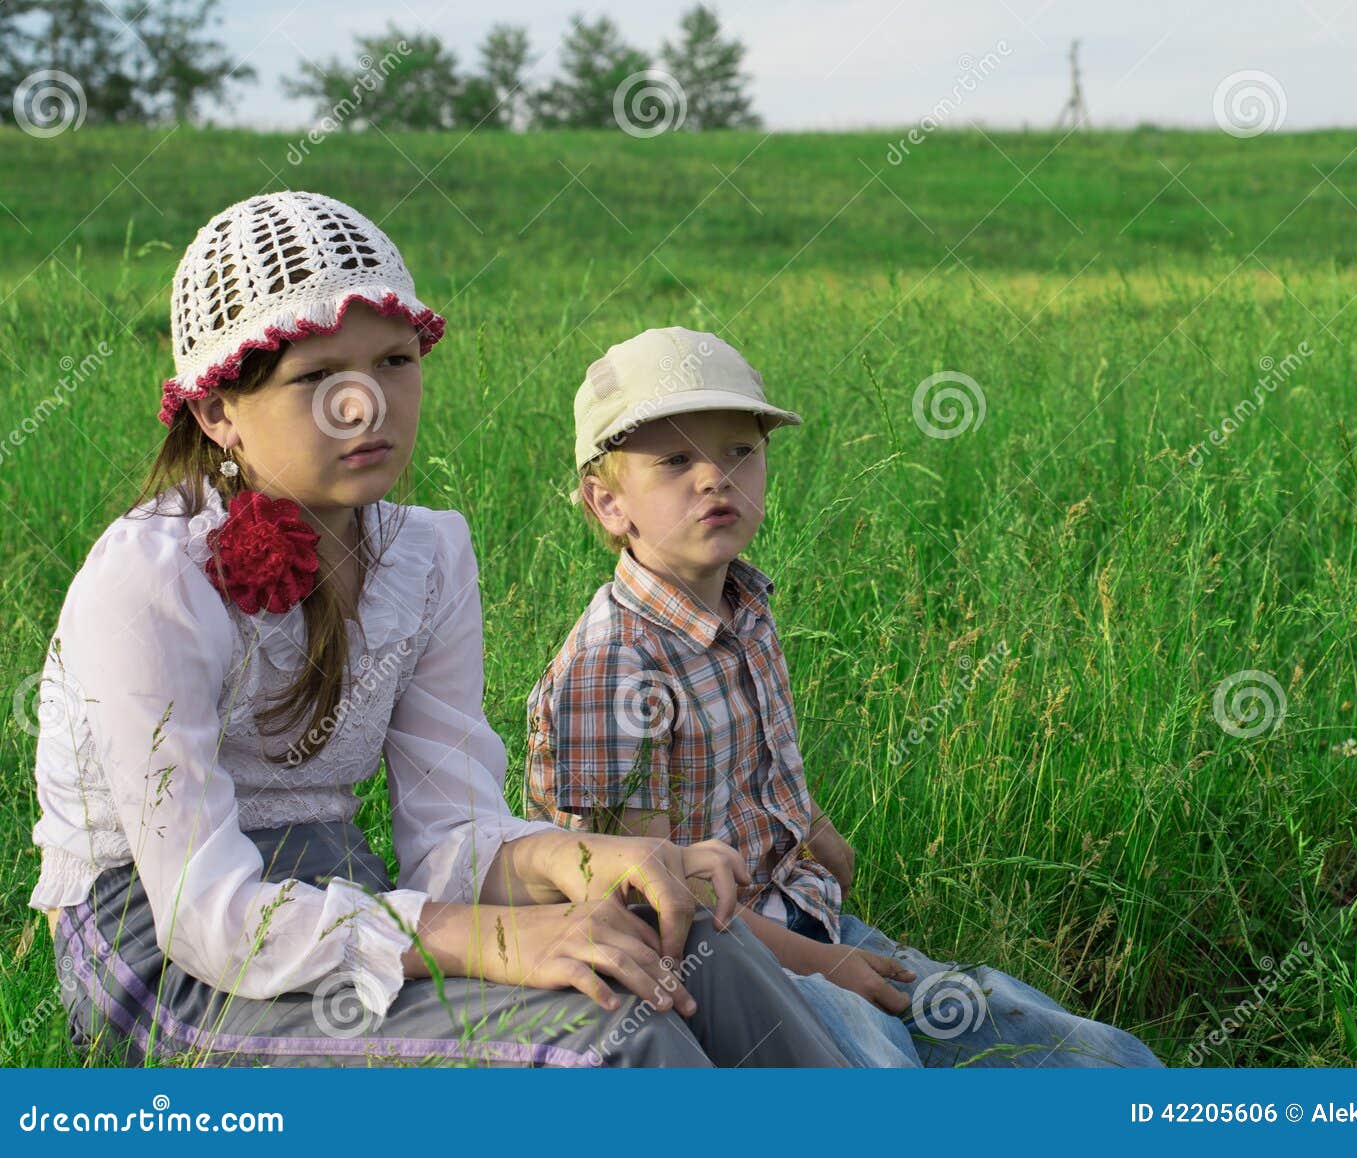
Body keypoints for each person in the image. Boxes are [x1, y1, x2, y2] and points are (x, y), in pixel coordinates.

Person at [27, 194, 846, 1068]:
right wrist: (505, 944)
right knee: (614, 1033)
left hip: (348, 897)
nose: (364, 407)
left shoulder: (425, 554)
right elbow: (208, 916)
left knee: (684, 942)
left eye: (392, 362)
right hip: (177, 957)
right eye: (316, 379)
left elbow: (452, 838)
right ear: (216, 410)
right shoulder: (151, 582)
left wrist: (605, 863)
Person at [524, 326, 1165, 1067]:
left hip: (808, 919)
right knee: (880, 1069)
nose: (715, 478)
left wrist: (816, 831)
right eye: (674, 461)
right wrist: (824, 966)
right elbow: (654, 903)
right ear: (608, 503)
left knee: (1070, 1048)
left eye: (740, 451)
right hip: (729, 970)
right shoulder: (613, 669)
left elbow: (752, 772)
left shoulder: (744, 606)